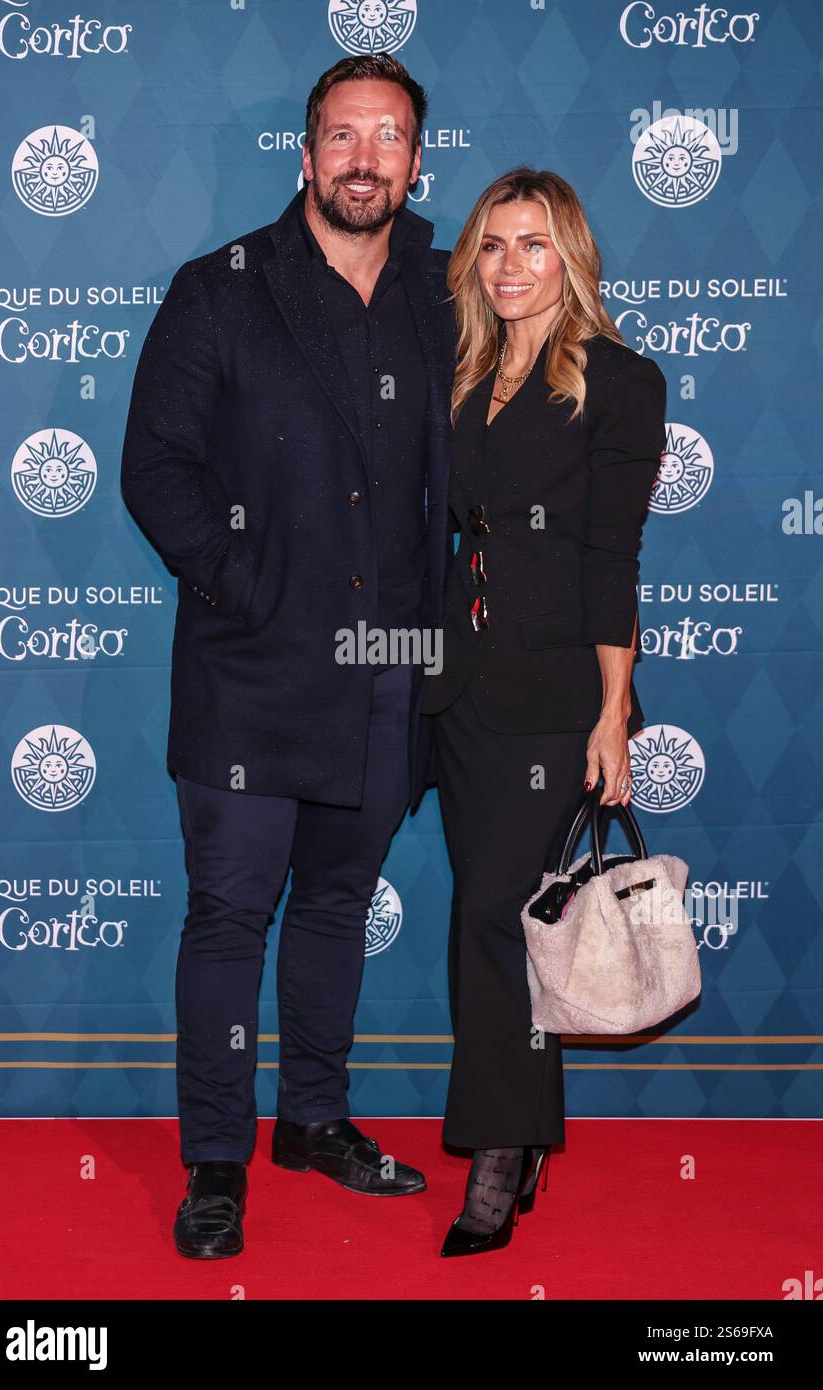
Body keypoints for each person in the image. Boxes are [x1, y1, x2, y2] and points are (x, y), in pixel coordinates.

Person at [120, 53, 456, 1259]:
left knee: (335, 907)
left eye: (391, 137)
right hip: (251, 672)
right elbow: (154, 467)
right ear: (307, 154)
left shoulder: (447, 286)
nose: (367, 157)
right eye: (344, 135)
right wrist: (243, 578)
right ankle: (217, 1161)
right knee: (228, 919)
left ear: (418, 159)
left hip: (391, 670)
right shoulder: (220, 289)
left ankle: (314, 1118)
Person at [419, 167, 667, 1257]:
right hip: (461, 684)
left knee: (495, 915)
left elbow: (615, 554)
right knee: (491, 916)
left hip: (557, 690)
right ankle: (517, 1132)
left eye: (533, 245)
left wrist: (613, 711)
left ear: (571, 255)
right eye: (492, 246)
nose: (510, 266)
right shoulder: (463, 368)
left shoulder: (618, 381)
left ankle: (501, 1150)